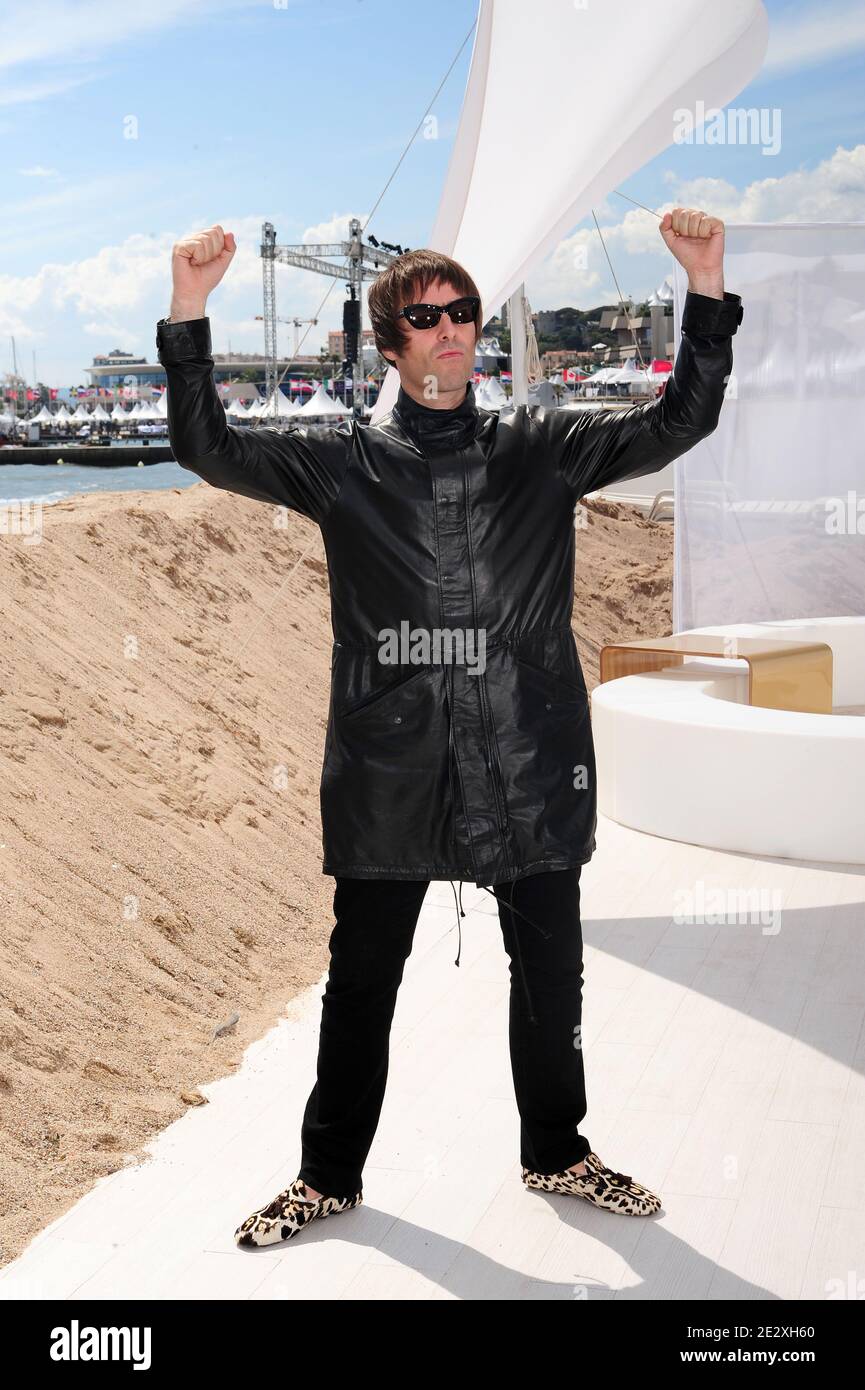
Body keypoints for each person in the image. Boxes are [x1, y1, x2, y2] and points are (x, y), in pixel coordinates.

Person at [155, 212, 742, 1247]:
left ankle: (558, 1150)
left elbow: (677, 423)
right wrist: (192, 309)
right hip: (394, 769)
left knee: (551, 972)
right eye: (425, 318)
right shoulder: (342, 466)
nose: (451, 329)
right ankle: (327, 1175)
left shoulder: (544, 447)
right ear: (391, 344)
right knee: (363, 980)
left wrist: (704, 289)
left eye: (462, 312)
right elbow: (206, 444)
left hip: (529, 756)